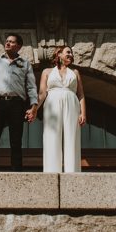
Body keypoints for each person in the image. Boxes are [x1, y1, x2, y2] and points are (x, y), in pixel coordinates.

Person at [0, 33, 39, 169]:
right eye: (7, 41)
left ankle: (16, 171)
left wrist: (34, 106)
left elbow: (31, 87)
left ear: (18, 46)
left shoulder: (25, 64)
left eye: (12, 42)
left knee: (16, 140)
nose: (7, 43)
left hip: (16, 103)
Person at [39, 45, 86, 173]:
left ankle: (72, 172)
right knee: (52, 136)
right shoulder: (47, 72)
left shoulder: (75, 72)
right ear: (59, 54)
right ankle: (51, 172)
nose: (70, 54)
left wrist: (83, 113)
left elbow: (81, 94)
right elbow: (42, 93)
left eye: (71, 53)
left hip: (72, 104)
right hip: (52, 104)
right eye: (68, 52)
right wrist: (34, 108)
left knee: (71, 137)